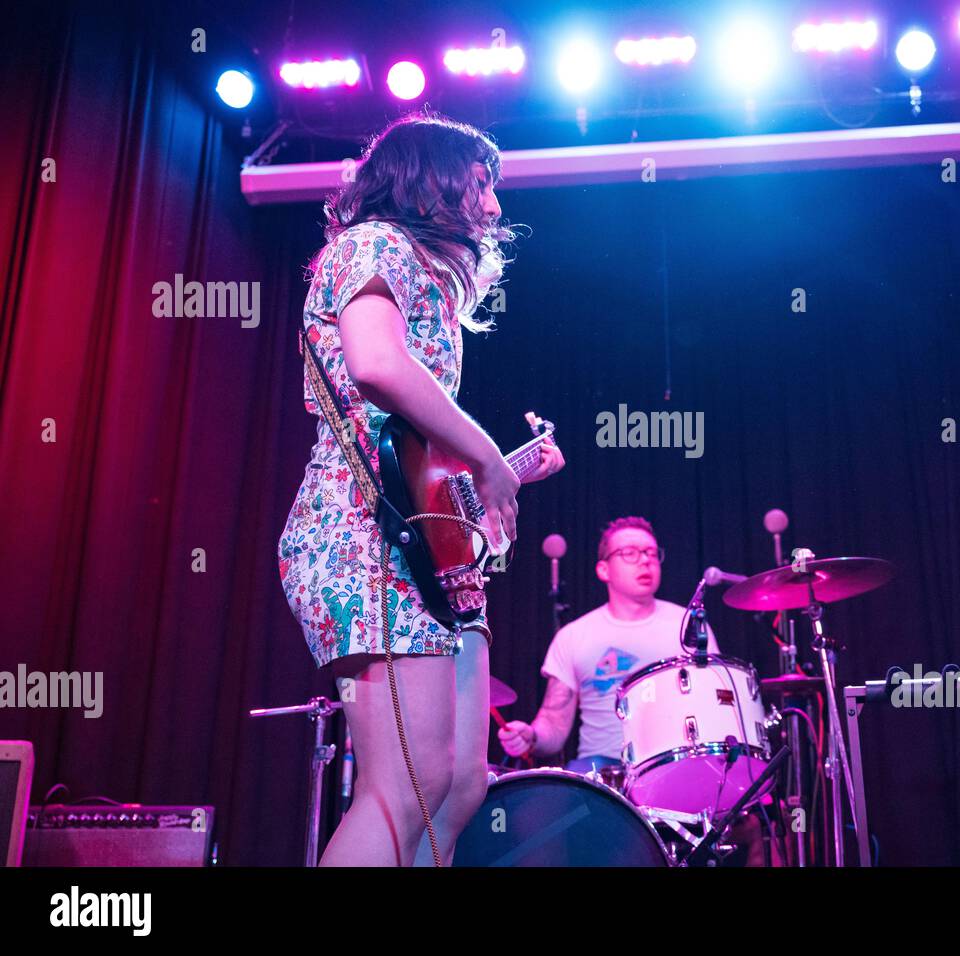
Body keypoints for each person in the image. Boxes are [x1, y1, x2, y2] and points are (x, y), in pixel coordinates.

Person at [277, 113, 564, 866]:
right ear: (428, 180)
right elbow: (375, 365)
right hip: (361, 534)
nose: (495, 209)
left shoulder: (419, 274)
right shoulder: (374, 244)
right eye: (480, 186)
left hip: (420, 549)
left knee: (460, 783)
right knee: (404, 787)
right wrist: (489, 459)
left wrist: (493, 475)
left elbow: (411, 447)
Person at [497, 516, 717, 773]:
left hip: (676, 767)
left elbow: (713, 705)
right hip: (601, 773)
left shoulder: (689, 625)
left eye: (651, 553)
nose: (645, 560)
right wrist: (530, 736)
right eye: (629, 553)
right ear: (603, 570)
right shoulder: (574, 636)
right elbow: (554, 722)